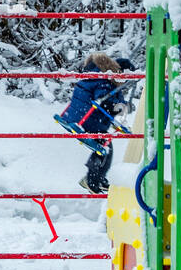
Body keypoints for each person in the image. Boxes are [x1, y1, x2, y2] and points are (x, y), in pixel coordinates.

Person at [55, 52, 134, 193]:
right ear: (120, 73)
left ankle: (98, 178)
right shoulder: (105, 81)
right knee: (105, 147)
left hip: (77, 116)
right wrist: (118, 107)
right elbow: (104, 101)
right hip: (88, 120)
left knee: (104, 146)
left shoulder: (96, 75)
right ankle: (92, 180)